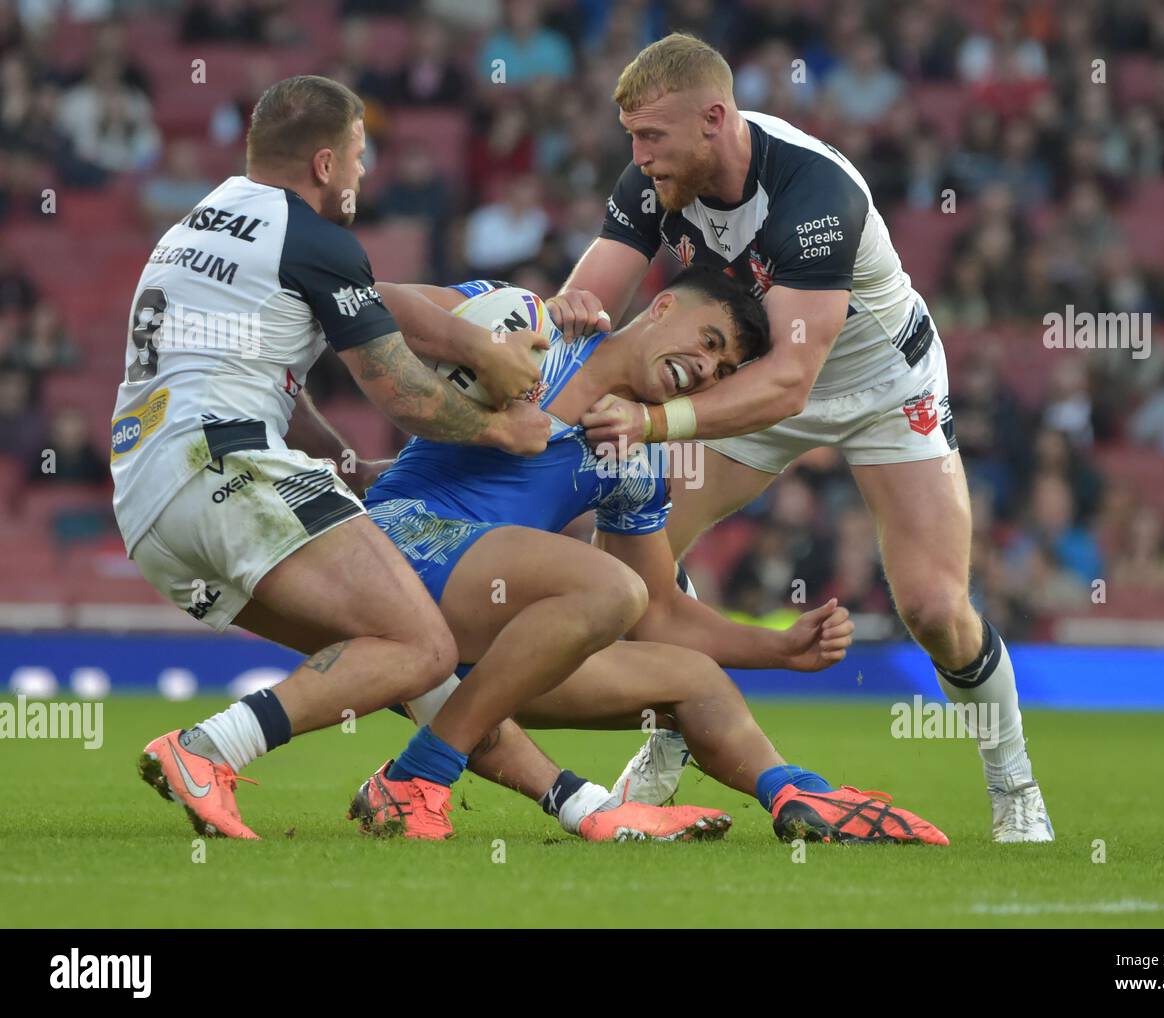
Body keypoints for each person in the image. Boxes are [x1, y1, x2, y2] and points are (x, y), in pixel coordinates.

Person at [546, 34, 1053, 842]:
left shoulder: (813, 195)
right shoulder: (654, 179)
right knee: (632, 559)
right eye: (632, 138)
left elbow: (791, 381)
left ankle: (1014, 785)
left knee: (933, 607)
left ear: (714, 118)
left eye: (652, 138)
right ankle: (670, 733)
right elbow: (589, 304)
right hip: (750, 375)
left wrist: (649, 420)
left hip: (880, 386)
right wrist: (558, 323)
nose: (638, 157)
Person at [337, 272, 947, 846]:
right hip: (394, 565)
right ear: (661, 307)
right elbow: (365, 300)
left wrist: (779, 649)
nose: (705, 368)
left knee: (695, 680)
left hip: (486, 647)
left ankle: (795, 793)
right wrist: (485, 346)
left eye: (722, 369)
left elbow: (658, 612)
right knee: (607, 585)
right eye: (708, 341)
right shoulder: (533, 326)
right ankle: (422, 773)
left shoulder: (636, 461)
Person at [118, 75, 551, 841]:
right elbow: (405, 398)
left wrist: (476, 345)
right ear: (323, 163)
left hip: (148, 502)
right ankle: (204, 748)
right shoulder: (312, 237)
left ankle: (566, 801)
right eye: (357, 154)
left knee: (381, 655)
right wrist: (501, 430)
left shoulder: (198, 221)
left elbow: (375, 300)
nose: (362, 171)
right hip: (224, 463)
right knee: (422, 645)